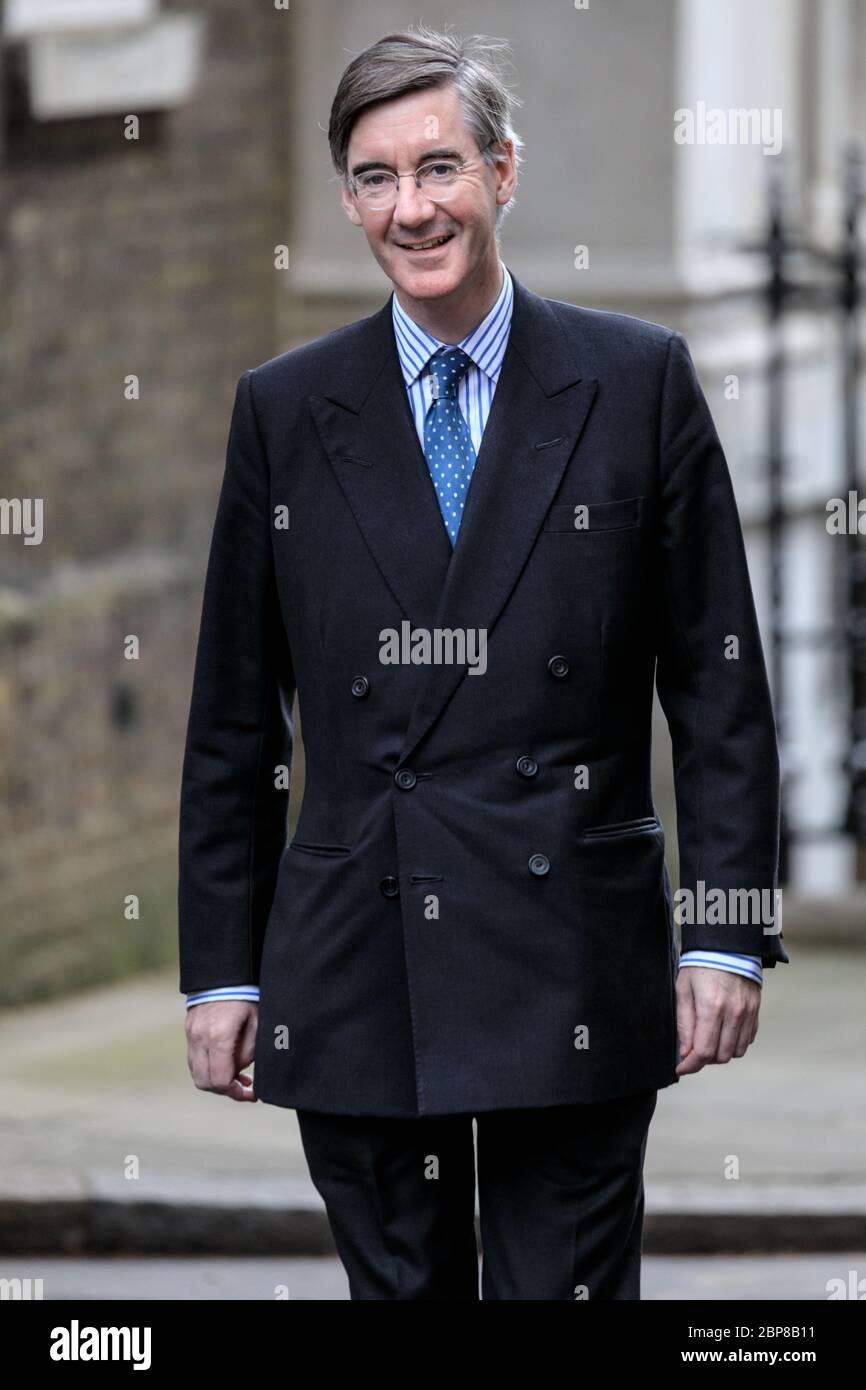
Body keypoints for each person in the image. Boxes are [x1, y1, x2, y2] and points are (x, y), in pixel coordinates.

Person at [179, 24, 789, 1300]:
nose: (411, 209)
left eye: (439, 167)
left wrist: (723, 935)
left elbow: (719, 683)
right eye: (374, 178)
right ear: (347, 197)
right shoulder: (286, 411)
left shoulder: (635, 382)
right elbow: (235, 722)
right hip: (357, 959)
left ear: (503, 173)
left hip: (568, 952)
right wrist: (225, 969)